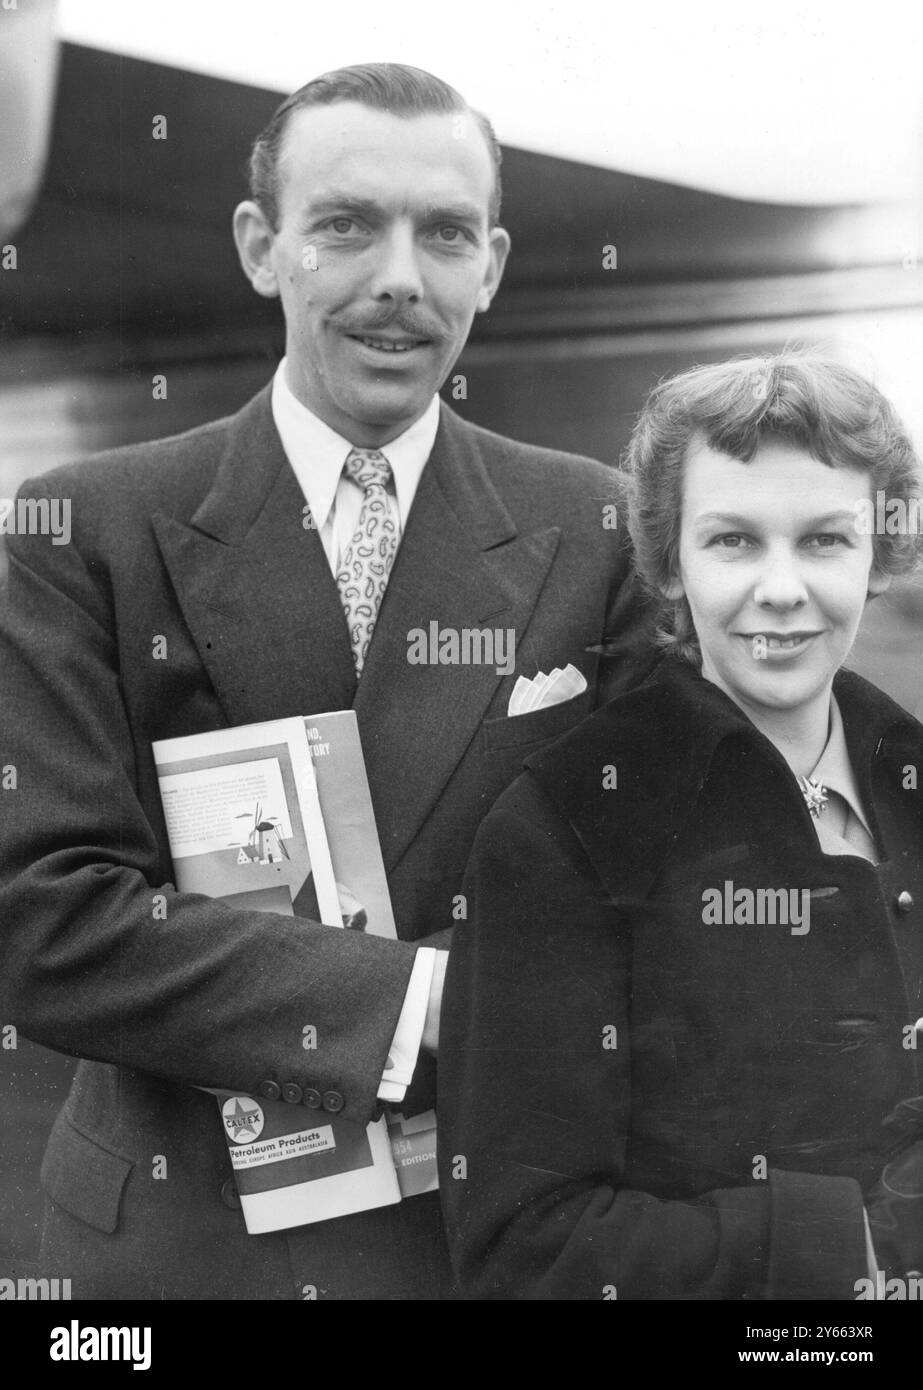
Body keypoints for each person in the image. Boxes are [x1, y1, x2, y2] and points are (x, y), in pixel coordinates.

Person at [0, 63, 656, 1300]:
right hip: (173, 1247)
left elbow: (657, 892)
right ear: (262, 247)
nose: (399, 276)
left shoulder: (599, 527)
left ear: (493, 265)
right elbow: (43, 920)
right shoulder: (82, 526)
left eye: (445, 233)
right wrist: (431, 1009)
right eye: (347, 223)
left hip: (483, 1243)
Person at [439, 351, 923, 1300]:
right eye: (733, 541)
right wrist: (843, 1254)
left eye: (824, 540)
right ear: (667, 560)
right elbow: (521, 1246)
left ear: (880, 555)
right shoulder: (563, 829)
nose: (780, 591)